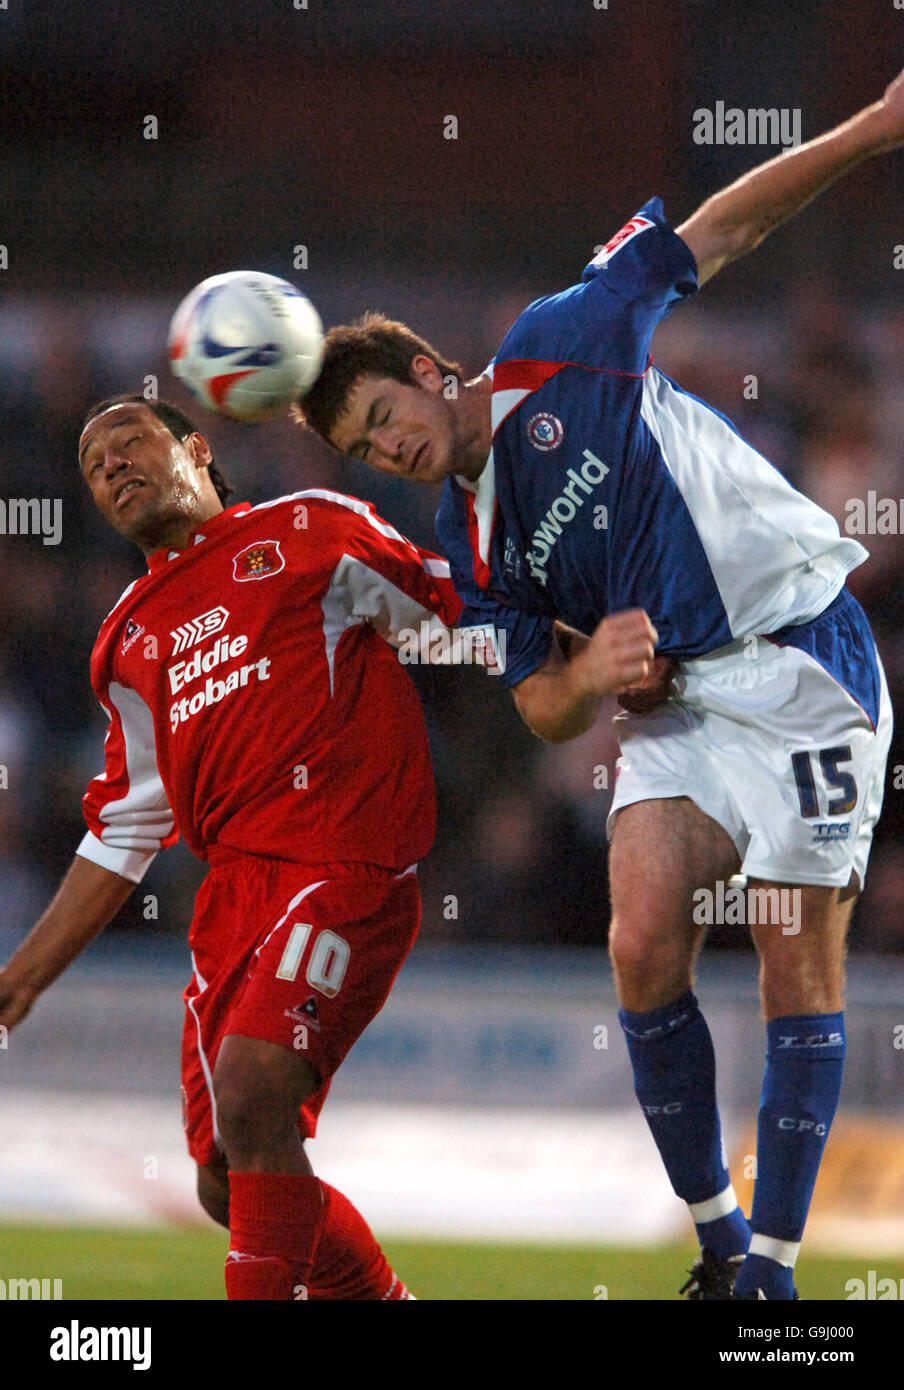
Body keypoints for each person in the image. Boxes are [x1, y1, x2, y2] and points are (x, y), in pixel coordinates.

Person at [293, 73, 904, 1299]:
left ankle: (775, 1278)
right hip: (677, 705)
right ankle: (720, 1249)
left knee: (792, 961)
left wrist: (878, 127)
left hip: (801, 661)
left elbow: (721, 229)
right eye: (363, 451)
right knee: (637, 943)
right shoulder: (469, 551)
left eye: (382, 417)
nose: (390, 448)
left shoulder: (559, 342)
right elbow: (537, 703)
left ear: (425, 367)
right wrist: (587, 667)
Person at [0, 392, 465, 1301]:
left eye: (129, 442)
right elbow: (125, 829)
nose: (113, 468)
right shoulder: (125, 642)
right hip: (233, 902)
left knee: (254, 1090)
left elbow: (450, 614)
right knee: (230, 1179)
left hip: (345, 863)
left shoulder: (312, 528)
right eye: (94, 468)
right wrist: (17, 983)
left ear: (198, 449)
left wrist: (577, 656)